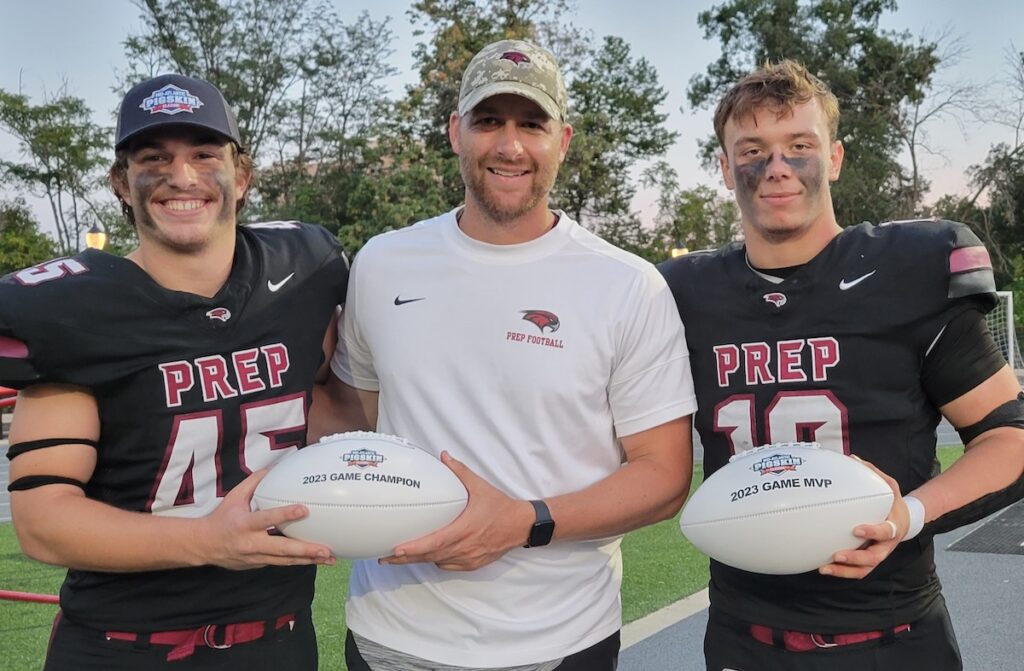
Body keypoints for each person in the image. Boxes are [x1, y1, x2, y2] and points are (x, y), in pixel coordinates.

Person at [315, 39, 697, 670]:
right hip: (391, 635)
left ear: (564, 139)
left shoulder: (626, 283)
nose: (510, 145)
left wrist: (524, 521)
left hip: (560, 640)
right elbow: (358, 418)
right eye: (489, 121)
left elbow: (662, 477)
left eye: (532, 124)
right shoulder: (383, 262)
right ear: (455, 132)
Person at [660, 59, 1024, 671]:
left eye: (799, 145)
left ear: (833, 158)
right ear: (724, 168)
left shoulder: (908, 270)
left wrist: (907, 514)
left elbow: (1008, 438)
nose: (776, 167)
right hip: (741, 639)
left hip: (893, 637)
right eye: (752, 149)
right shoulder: (679, 293)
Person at [0, 74, 349, 670]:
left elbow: (338, 401)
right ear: (120, 181)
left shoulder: (307, 270)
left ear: (241, 175)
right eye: (154, 157)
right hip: (122, 648)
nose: (181, 176)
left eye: (203, 155)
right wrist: (205, 539)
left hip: (282, 639)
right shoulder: (73, 309)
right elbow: (42, 520)